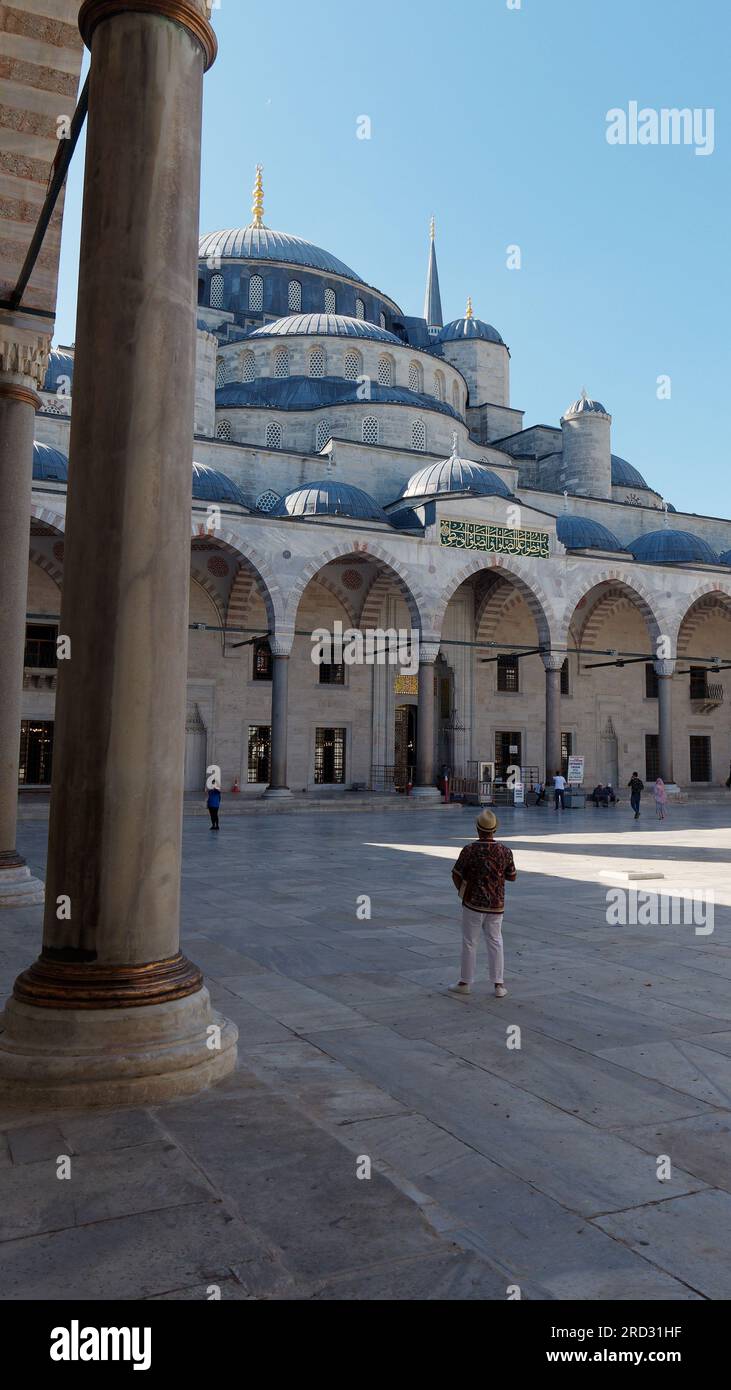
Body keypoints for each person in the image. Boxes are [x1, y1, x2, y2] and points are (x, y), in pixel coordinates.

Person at [449, 809, 517, 999]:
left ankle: (465, 982)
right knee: (496, 941)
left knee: (470, 942)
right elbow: (512, 876)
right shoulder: (505, 851)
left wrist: (461, 891)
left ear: (477, 829)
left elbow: (456, 873)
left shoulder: (469, 850)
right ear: (494, 829)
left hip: (473, 902)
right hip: (496, 903)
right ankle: (499, 984)